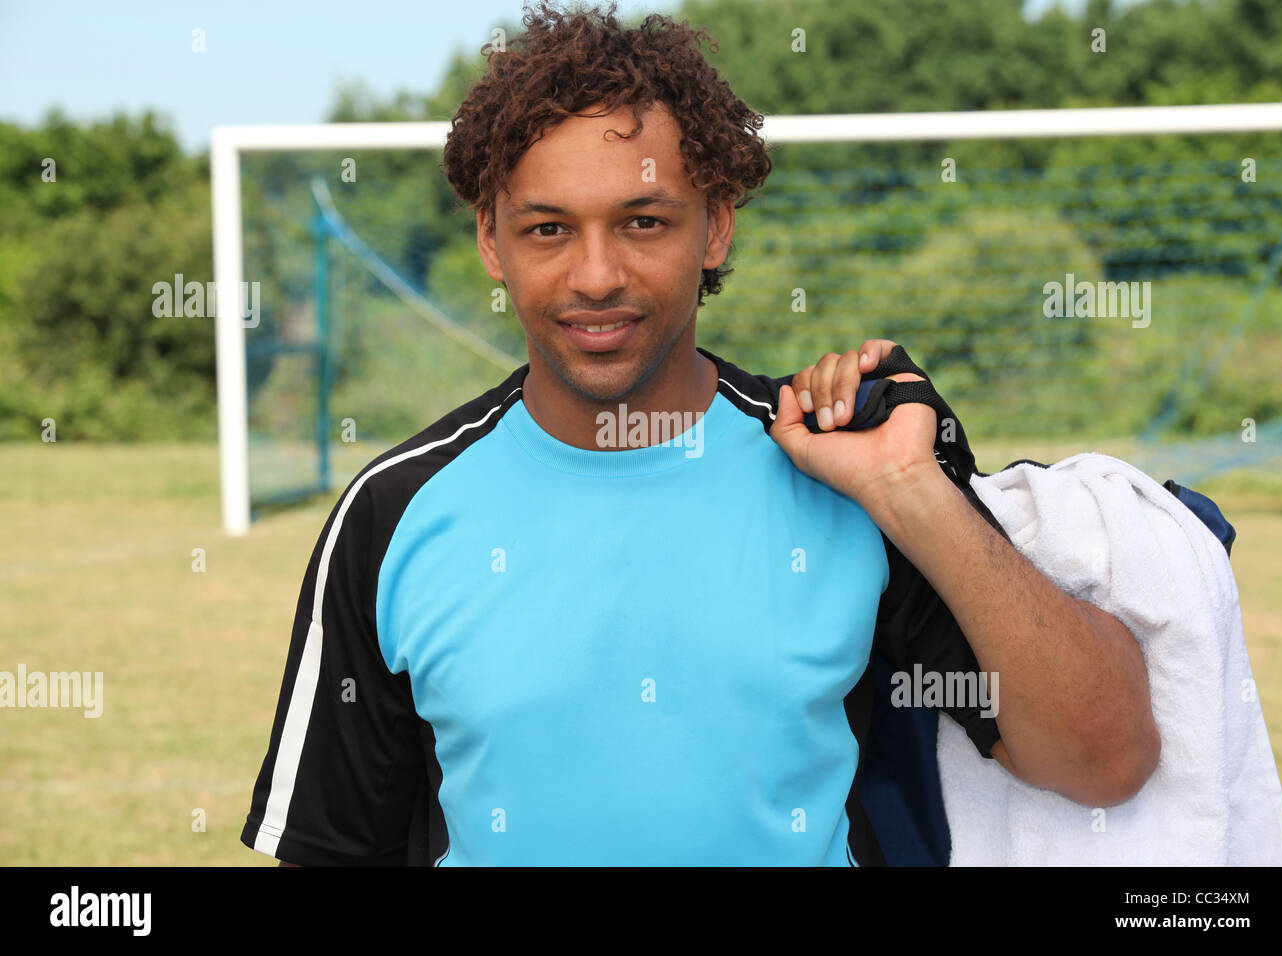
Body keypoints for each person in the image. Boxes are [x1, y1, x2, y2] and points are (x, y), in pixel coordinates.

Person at [241, 1, 1159, 866]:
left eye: (643, 222)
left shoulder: (841, 479)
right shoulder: (393, 515)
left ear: (715, 227)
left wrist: (915, 492)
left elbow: (1105, 759)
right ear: (491, 240)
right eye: (548, 228)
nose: (595, 275)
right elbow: (334, 851)